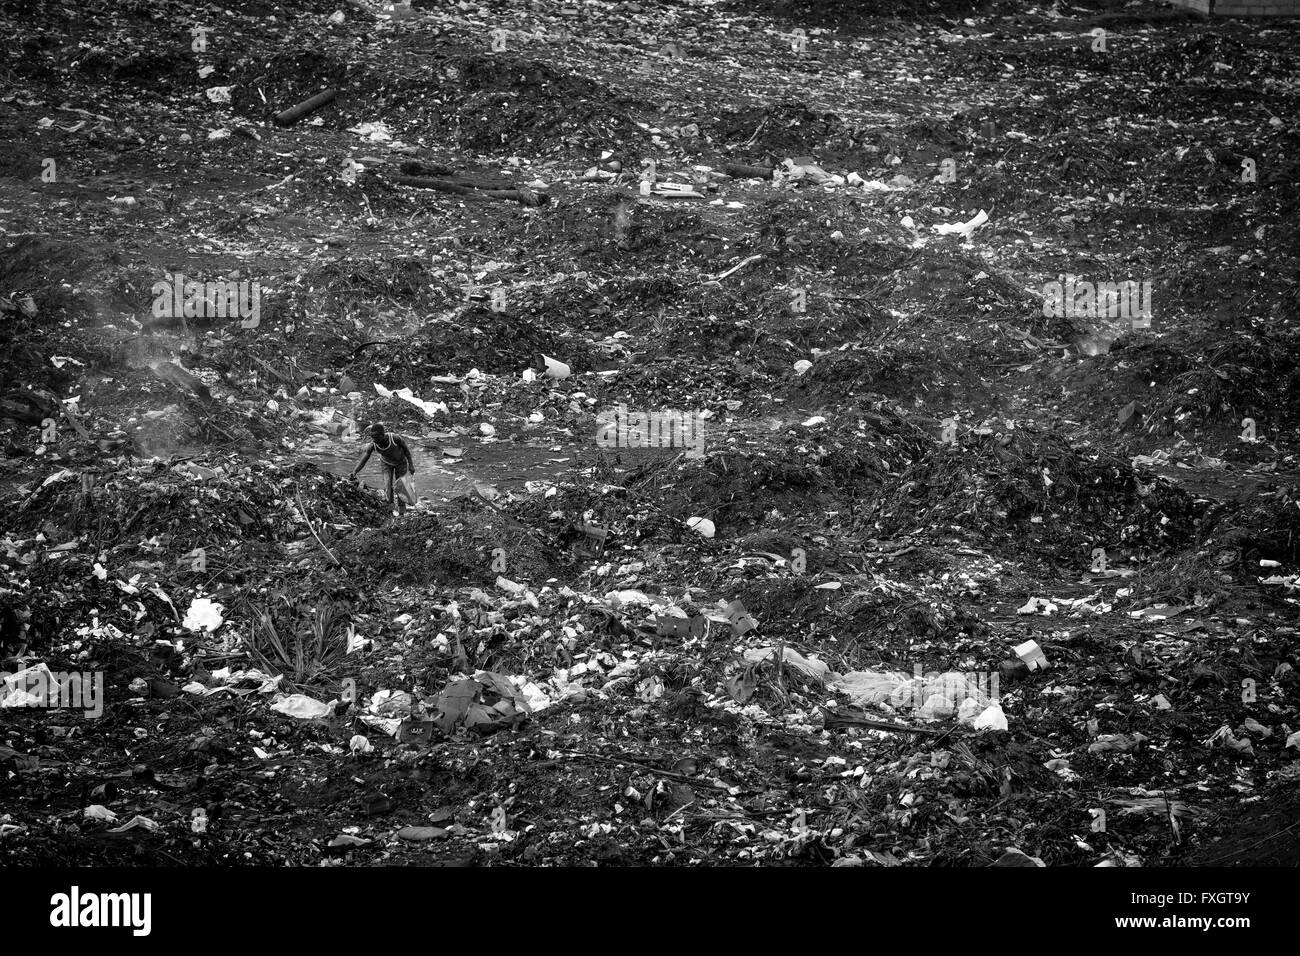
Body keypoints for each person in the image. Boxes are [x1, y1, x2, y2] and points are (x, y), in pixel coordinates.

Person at [351, 423, 416, 516]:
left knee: (401, 487)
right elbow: (364, 459)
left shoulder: (395, 438)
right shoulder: (373, 445)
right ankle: (390, 511)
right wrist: (355, 471)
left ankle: (402, 512)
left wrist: (411, 465)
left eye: (376, 438)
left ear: (383, 435)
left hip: (401, 463)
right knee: (388, 487)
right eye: (372, 438)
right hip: (386, 464)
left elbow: (407, 451)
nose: (374, 440)